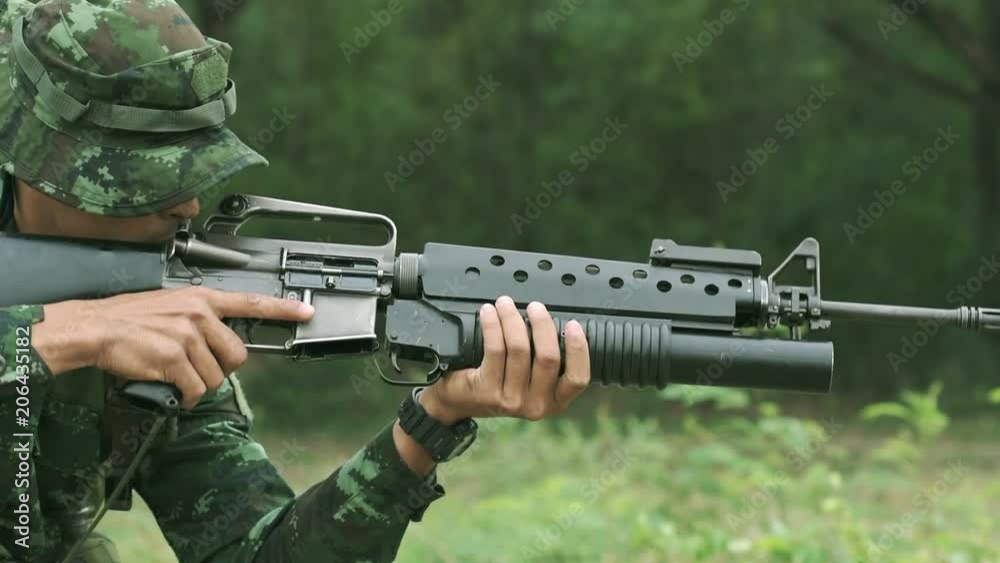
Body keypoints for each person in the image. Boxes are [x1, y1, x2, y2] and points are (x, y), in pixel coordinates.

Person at [0, 0, 592, 561]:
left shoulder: (158, 317)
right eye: (141, 180)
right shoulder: (107, 319)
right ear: (31, 156)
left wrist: (428, 424)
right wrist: (48, 338)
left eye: (191, 173)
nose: (185, 206)